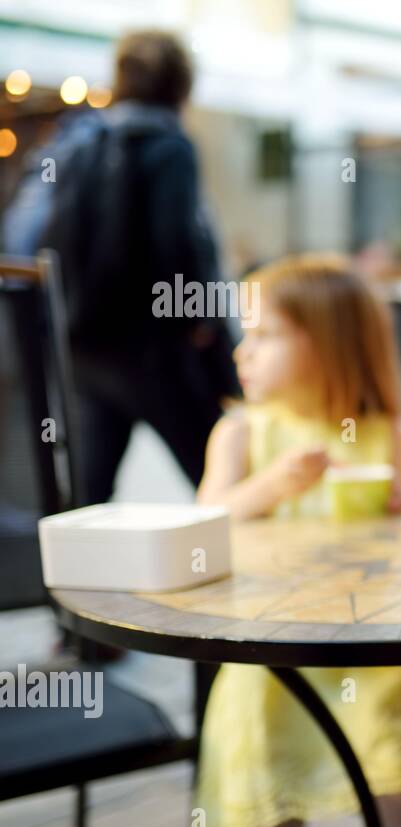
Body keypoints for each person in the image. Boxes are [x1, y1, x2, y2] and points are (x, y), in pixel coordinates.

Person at [193, 254, 401, 827]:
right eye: (246, 336)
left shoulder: (387, 432)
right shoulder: (241, 433)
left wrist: (399, 508)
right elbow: (204, 524)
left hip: (369, 649)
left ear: (332, 345)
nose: (243, 352)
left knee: (398, 776)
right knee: (267, 796)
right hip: (269, 652)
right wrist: (268, 488)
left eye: (265, 336)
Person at [5, 30, 239, 505]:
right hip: (155, 348)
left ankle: (75, 577)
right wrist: (199, 320)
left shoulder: (81, 142)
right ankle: (259, 571)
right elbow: (177, 243)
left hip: (88, 344)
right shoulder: (170, 145)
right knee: (218, 471)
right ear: (181, 85)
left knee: (91, 493)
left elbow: (32, 236)